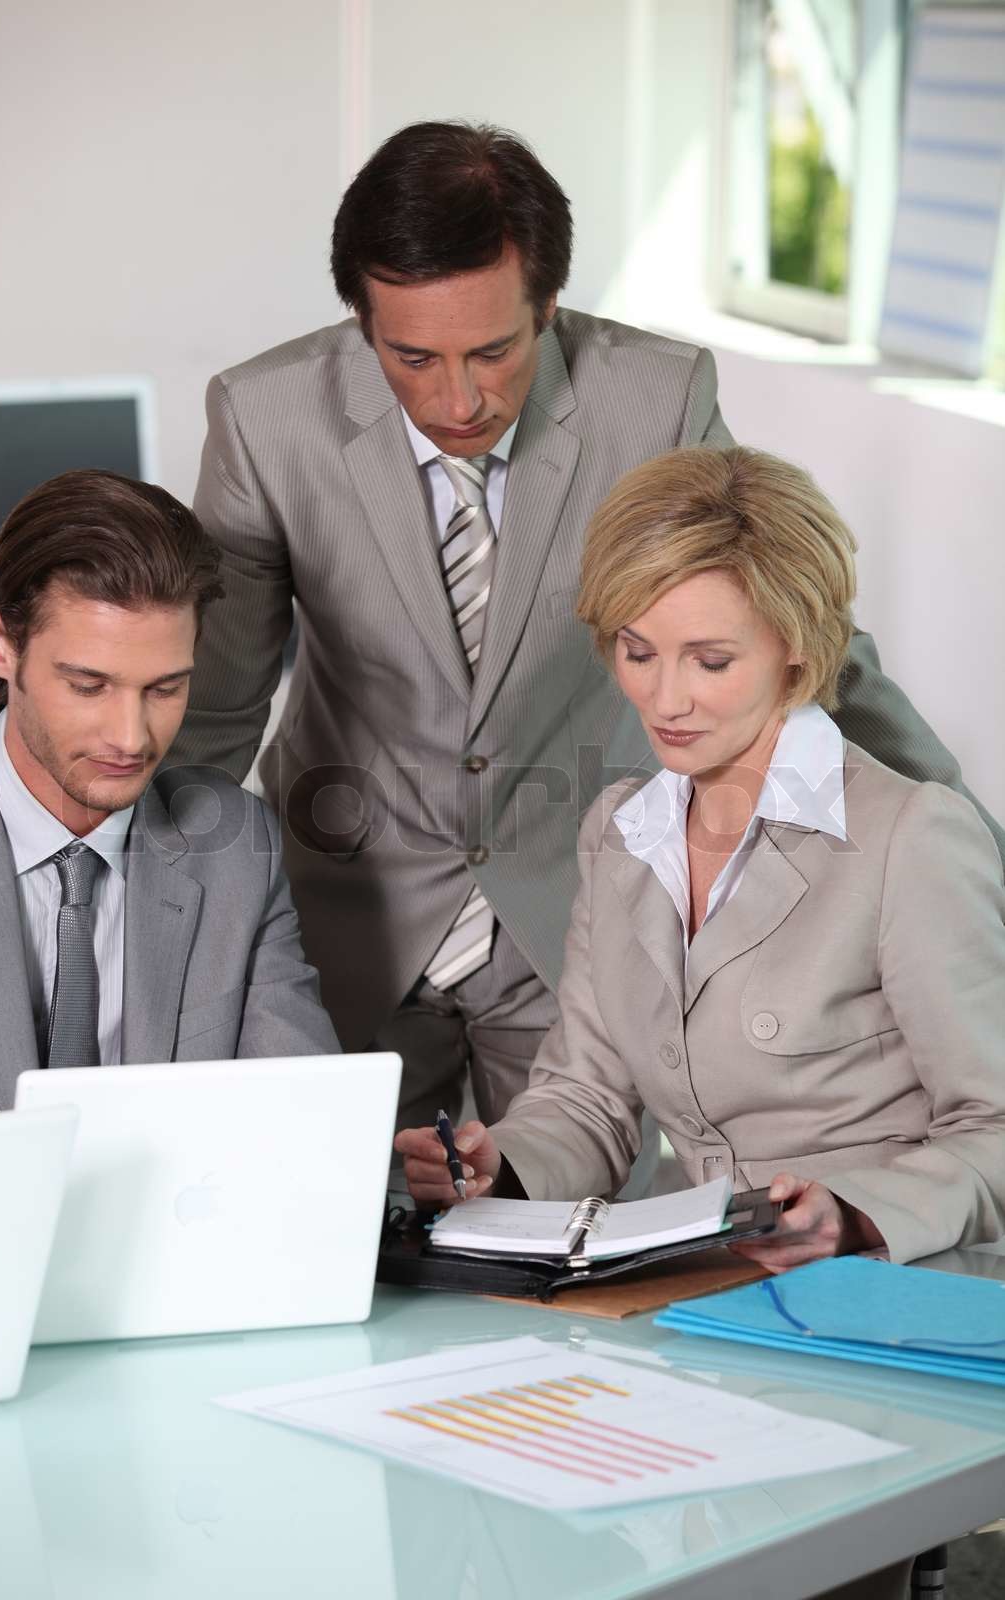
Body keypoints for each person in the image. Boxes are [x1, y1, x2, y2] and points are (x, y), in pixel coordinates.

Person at [173, 119, 1003, 1137]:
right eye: (411, 357)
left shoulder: (654, 400)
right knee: (347, 1221)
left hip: (575, 919)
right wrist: (166, 936)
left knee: (579, 1220)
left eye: (493, 351)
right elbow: (213, 704)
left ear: (549, 304)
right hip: (351, 916)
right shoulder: (264, 419)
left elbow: (794, 635)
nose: (456, 399)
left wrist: (966, 846)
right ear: (360, 319)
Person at [396, 445, 1005, 1272]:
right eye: (636, 651)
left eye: (709, 661)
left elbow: (994, 1124)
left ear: (797, 646)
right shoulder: (620, 832)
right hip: (705, 1290)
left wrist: (857, 1217)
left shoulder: (910, 834)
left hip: (896, 1293)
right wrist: (493, 1164)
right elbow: (587, 1100)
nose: (663, 698)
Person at [0, 469, 338, 1121]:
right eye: (88, 686)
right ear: (0, 646)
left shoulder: (236, 847)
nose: (131, 738)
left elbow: (302, 1117)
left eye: (164, 689)